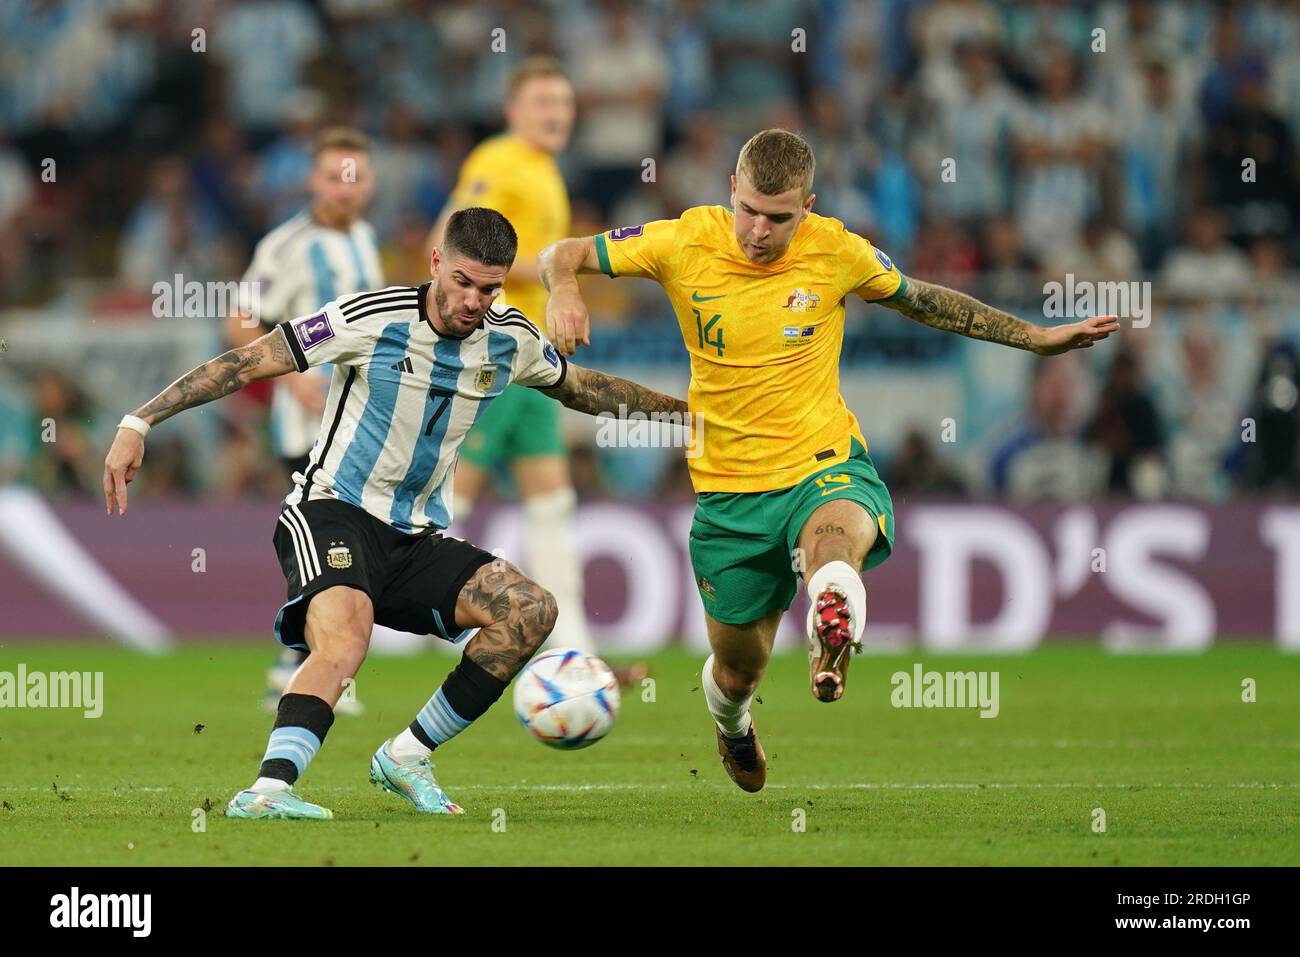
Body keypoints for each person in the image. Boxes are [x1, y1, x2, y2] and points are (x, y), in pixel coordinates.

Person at [539, 129, 1118, 792]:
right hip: (728, 494)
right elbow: (565, 252)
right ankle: (732, 721)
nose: (758, 230)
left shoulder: (836, 250)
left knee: (834, 541)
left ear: (806, 207)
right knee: (736, 672)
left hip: (822, 461)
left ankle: (833, 612)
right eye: (749, 210)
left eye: (779, 217)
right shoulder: (682, 239)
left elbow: (926, 300)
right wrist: (564, 290)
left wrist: (1034, 336)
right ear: (731, 190)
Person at [103, 208, 687, 820]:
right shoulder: (368, 318)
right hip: (333, 510)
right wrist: (138, 421)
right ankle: (268, 792)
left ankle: (406, 756)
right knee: (346, 638)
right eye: (463, 281)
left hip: (415, 537)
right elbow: (248, 361)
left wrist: (686, 416)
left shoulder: (510, 340)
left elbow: (586, 389)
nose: (474, 300)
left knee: (529, 611)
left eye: (489, 288)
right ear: (436, 262)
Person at [426, 56, 644, 683]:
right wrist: (546, 279)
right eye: (543, 104)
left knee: (551, 505)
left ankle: (572, 653)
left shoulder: (543, 170)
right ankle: (432, 627)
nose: (556, 116)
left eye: (564, 105)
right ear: (512, 112)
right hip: (492, 353)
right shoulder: (499, 163)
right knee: (451, 500)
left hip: (529, 359)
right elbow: (447, 242)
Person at [225, 126, 386, 713]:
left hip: (361, 420)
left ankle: (305, 663)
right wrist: (292, 379)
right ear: (311, 181)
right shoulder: (285, 246)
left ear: (371, 183)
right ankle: (304, 666)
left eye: (356, 177)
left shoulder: (368, 238)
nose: (344, 190)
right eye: (332, 177)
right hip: (310, 423)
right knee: (332, 540)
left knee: (351, 543)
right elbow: (240, 321)